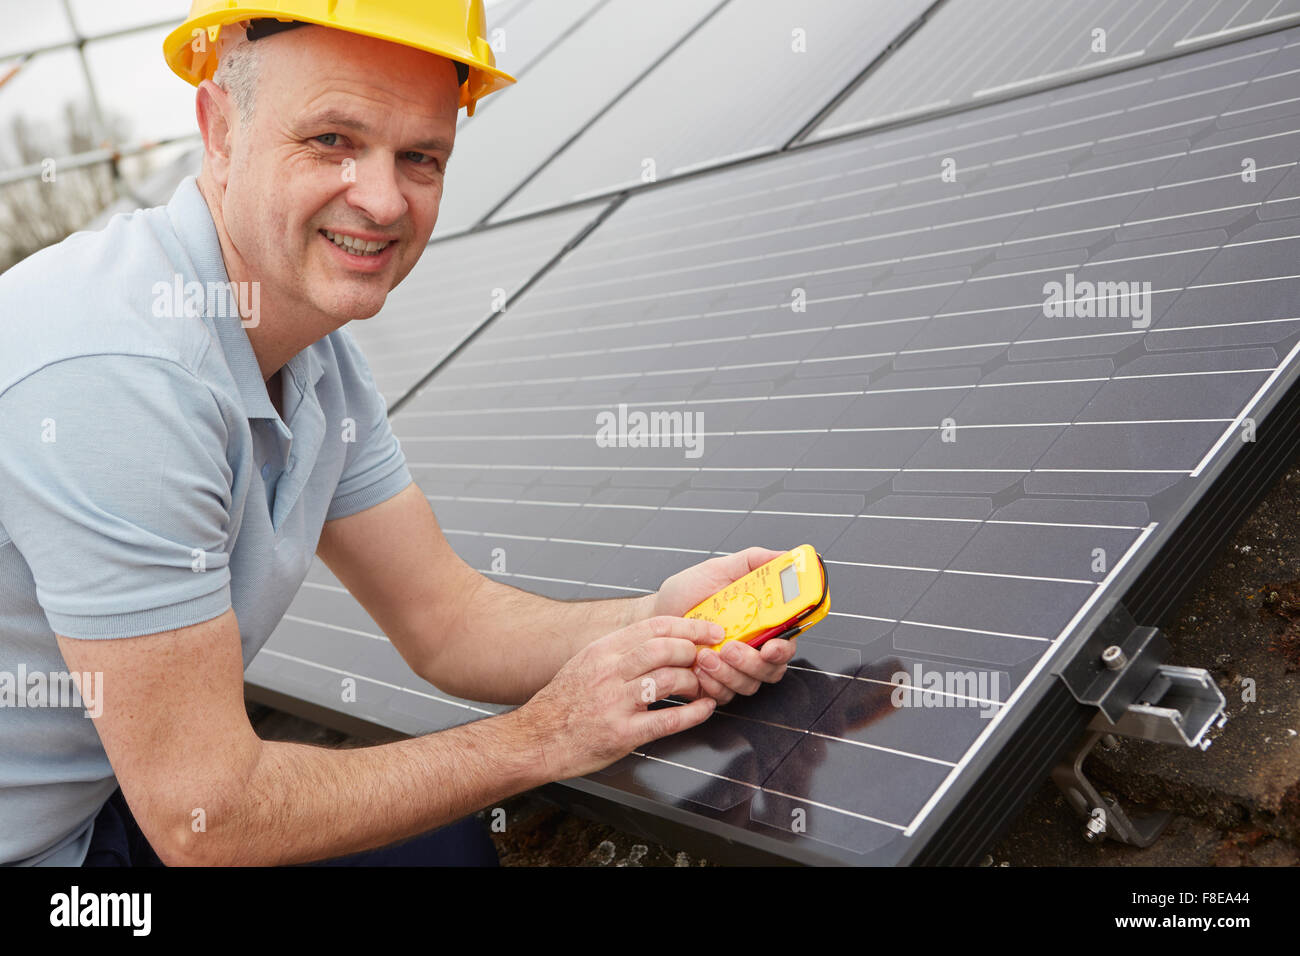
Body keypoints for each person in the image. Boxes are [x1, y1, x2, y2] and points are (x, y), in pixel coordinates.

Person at [0, 0, 797, 867]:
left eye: (420, 156)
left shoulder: (314, 359)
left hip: (104, 806)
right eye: (332, 140)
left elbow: (448, 621)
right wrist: (546, 737)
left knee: (435, 849)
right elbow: (208, 819)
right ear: (219, 128)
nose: (381, 200)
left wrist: (655, 622)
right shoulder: (117, 377)